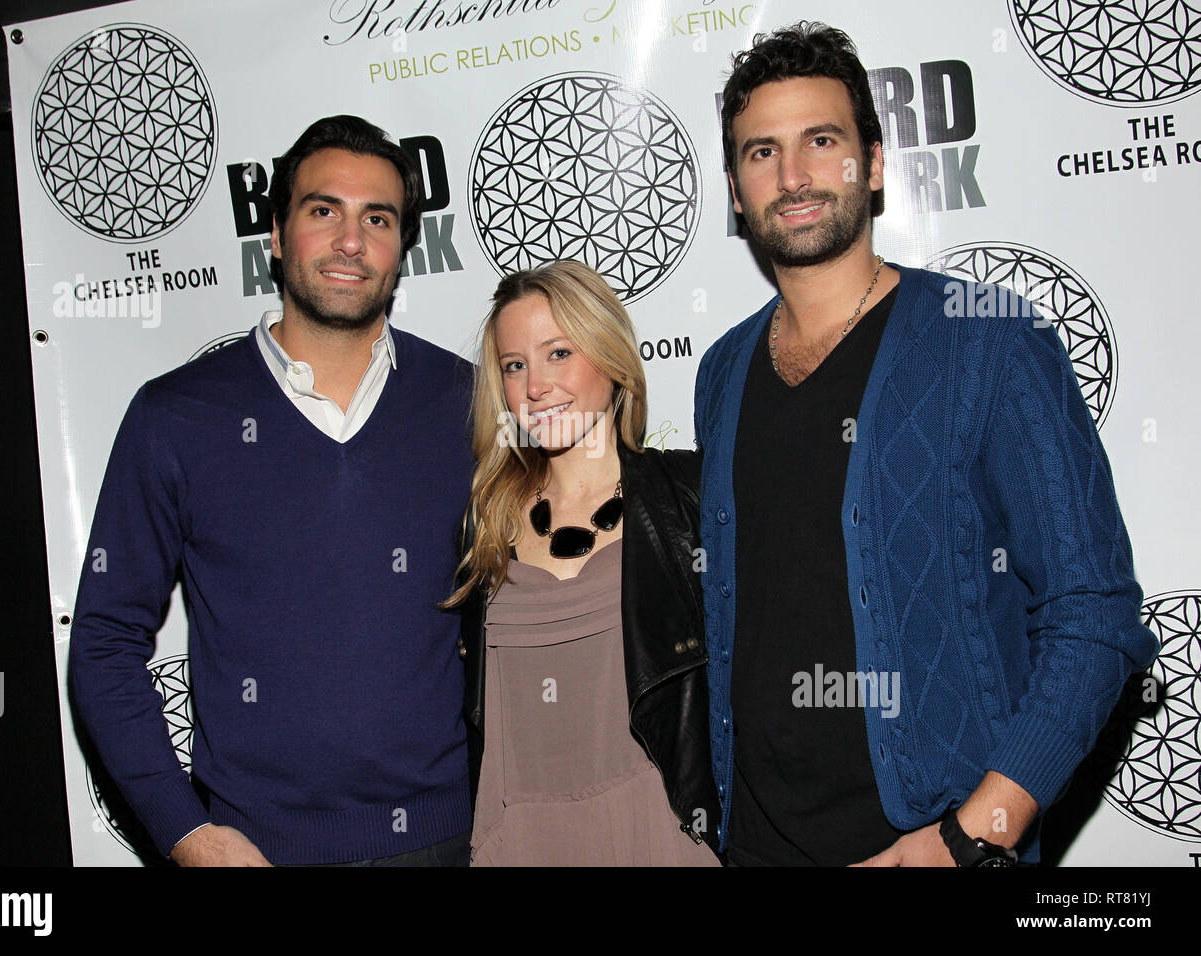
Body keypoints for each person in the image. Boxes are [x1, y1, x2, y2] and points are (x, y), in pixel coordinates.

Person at [695, 23, 1158, 866]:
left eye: (821, 141)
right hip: (757, 844)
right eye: (763, 152)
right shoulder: (722, 371)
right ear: (735, 189)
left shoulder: (989, 341)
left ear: (872, 164)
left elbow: (1095, 613)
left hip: (933, 844)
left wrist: (974, 835)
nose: (792, 176)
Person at [69, 115, 475, 866]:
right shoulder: (177, 415)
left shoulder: (467, 403)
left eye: (377, 219)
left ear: (403, 248)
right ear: (277, 237)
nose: (350, 241)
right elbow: (104, 640)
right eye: (323, 211)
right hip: (257, 852)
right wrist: (182, 830)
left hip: (455, 842)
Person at [446, 260, 720, 865]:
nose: (535, 386)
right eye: (514, 365)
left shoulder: (690, 498)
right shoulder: (483, 525)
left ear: (611, 356)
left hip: (662, 834)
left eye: (559, 353)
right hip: (521, 844)